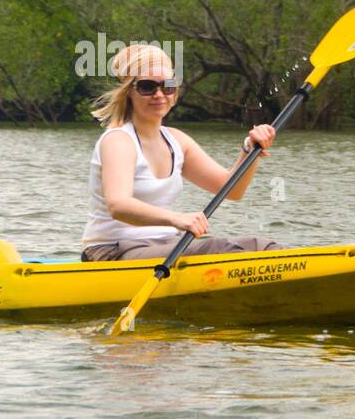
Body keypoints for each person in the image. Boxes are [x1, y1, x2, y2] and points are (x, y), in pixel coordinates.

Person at [81, 43, 282, 262]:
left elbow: (231, 191)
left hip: (168, 245)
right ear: (130, 91)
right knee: (224, 250)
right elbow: (118, 205)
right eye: (148, 87)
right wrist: (177, 219)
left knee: (263, 246)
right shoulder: (118, 140)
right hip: (112, 251)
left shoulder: (177, 140)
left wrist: (249, 151)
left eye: (168, 86)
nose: (159, 95)